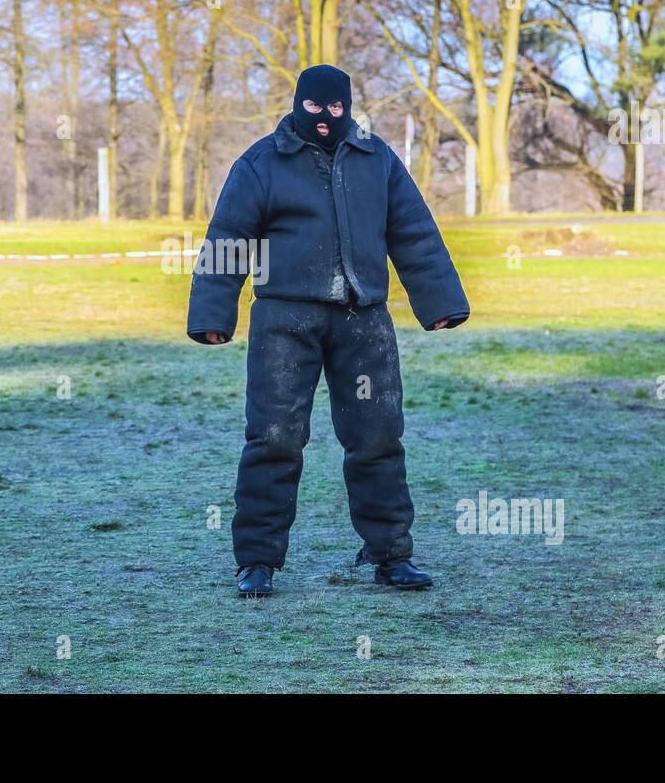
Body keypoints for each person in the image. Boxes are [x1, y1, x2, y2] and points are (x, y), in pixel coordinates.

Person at [187, 64, 470, 597]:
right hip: (283, 322)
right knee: (274, 437)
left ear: (348, 107)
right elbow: (228, 236)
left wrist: (441, 303)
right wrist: (211, 315)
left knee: (378, 437)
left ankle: (390, 554)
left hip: (364, 321)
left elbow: (413, 230)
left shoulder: (376, 157)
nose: (324, 118)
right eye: (314, 108)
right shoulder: (262, 161)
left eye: (336, 109)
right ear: (299, 104)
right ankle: (257, 561)